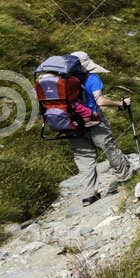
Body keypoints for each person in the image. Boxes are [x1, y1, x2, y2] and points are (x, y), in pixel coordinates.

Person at [34, 51, 133, 204]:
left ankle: (89, 195)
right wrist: (121, 104)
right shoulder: (92, 78)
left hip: (71, 124)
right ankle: (126, 176)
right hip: (93, 122)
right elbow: (100, 101)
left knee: (84, 158)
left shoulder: (58, 83)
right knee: (109, 148)